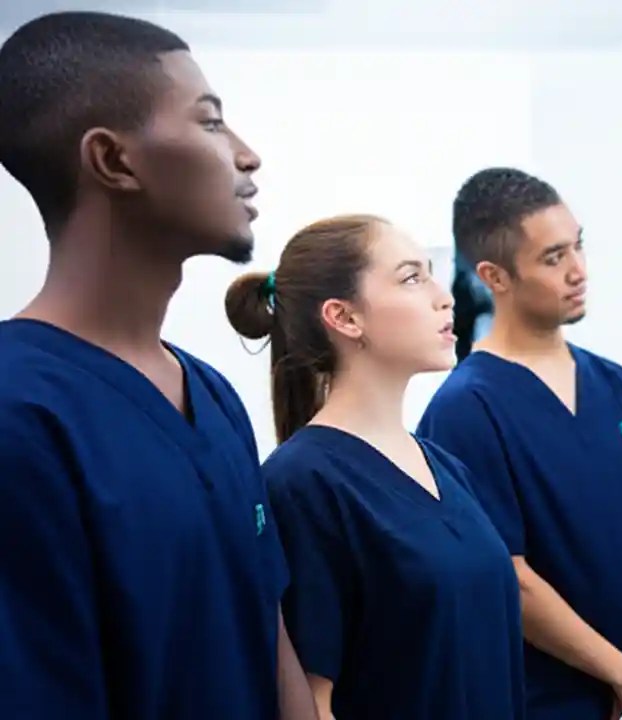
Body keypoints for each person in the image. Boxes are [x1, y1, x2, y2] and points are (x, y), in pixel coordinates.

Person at [0, 11, 314, 719]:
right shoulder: (20, 412)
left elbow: (266, 631)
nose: (247, 155)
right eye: (209, 123)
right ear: (114, 160)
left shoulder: (211, 394)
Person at [226, 214, 526, 720]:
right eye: (412, 277)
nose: (445, 296)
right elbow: (311, 704)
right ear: (344, 317)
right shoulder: (303, 485)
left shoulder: (447, 468)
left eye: (433, 272)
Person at [417, 167, 622, 719]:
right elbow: (507, 577)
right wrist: (619, 673)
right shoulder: (464, 410)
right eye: (553, 258)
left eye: (579, 246)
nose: (578, 270)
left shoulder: (615, 384)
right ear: (496, 276)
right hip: (544, 702)